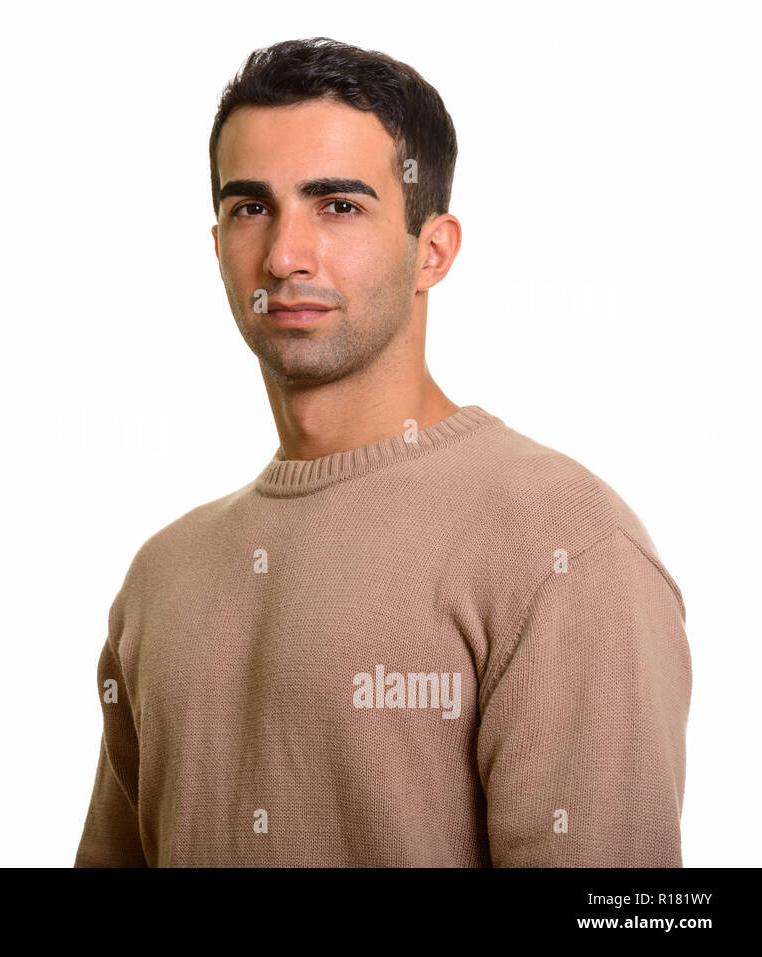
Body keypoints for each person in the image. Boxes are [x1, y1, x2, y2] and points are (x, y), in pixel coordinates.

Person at [73, 37, 691, 867]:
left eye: (339, 206)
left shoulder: (562, 543)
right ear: (216, 241)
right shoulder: (161, 574)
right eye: (251, 207)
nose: (286, 255)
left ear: (431, 250)